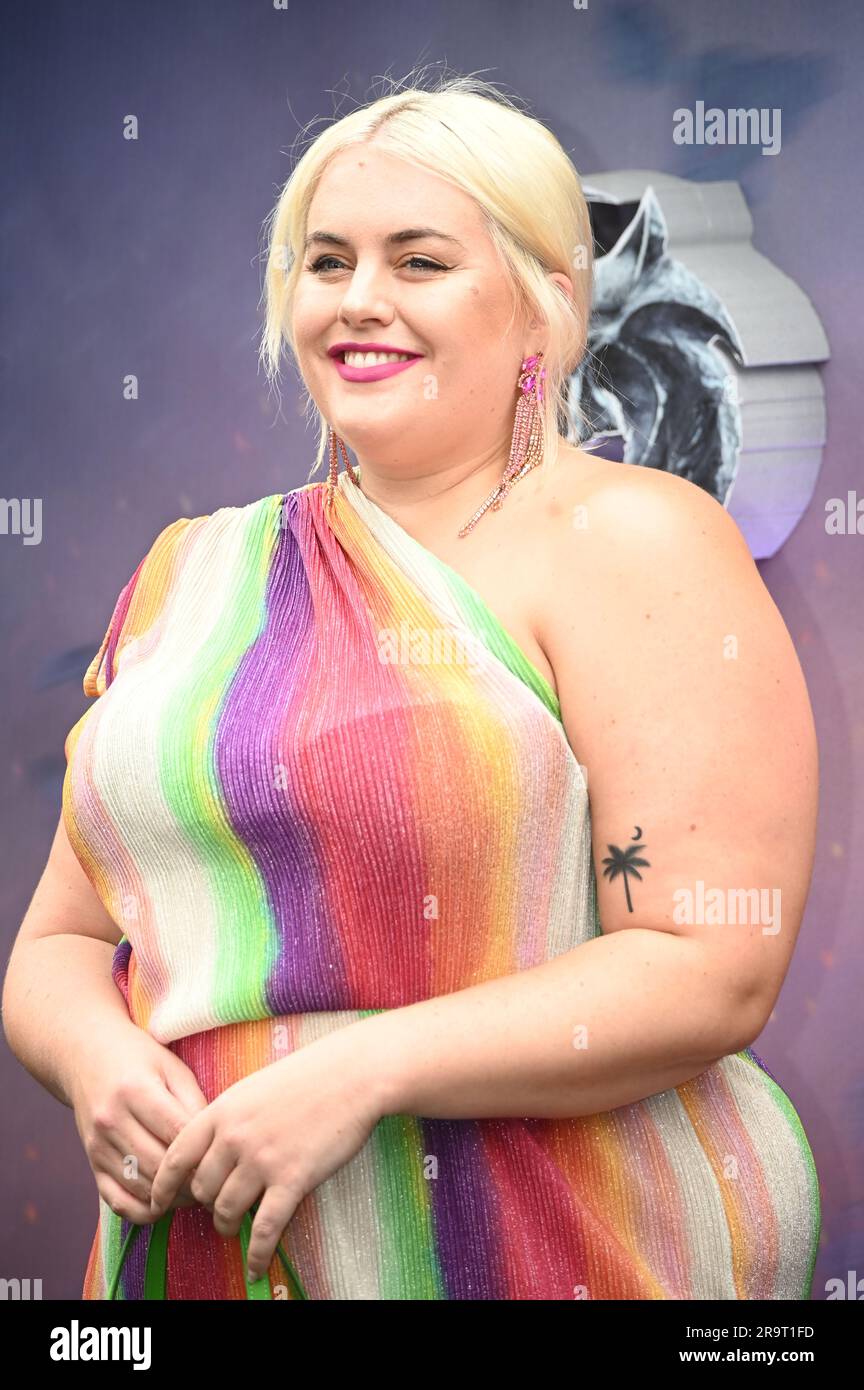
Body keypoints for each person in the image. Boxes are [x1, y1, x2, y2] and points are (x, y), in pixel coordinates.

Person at [3, 72, 821, 1300]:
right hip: (201, 1265)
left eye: (420, 261)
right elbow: (61, 941)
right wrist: (97, 1057)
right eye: (325, 262)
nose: (359, 301)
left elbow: (712, 962)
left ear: (546, 301)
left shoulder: (640, 542)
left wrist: (360, 1074)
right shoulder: (193, 569)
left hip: (564, 1253)